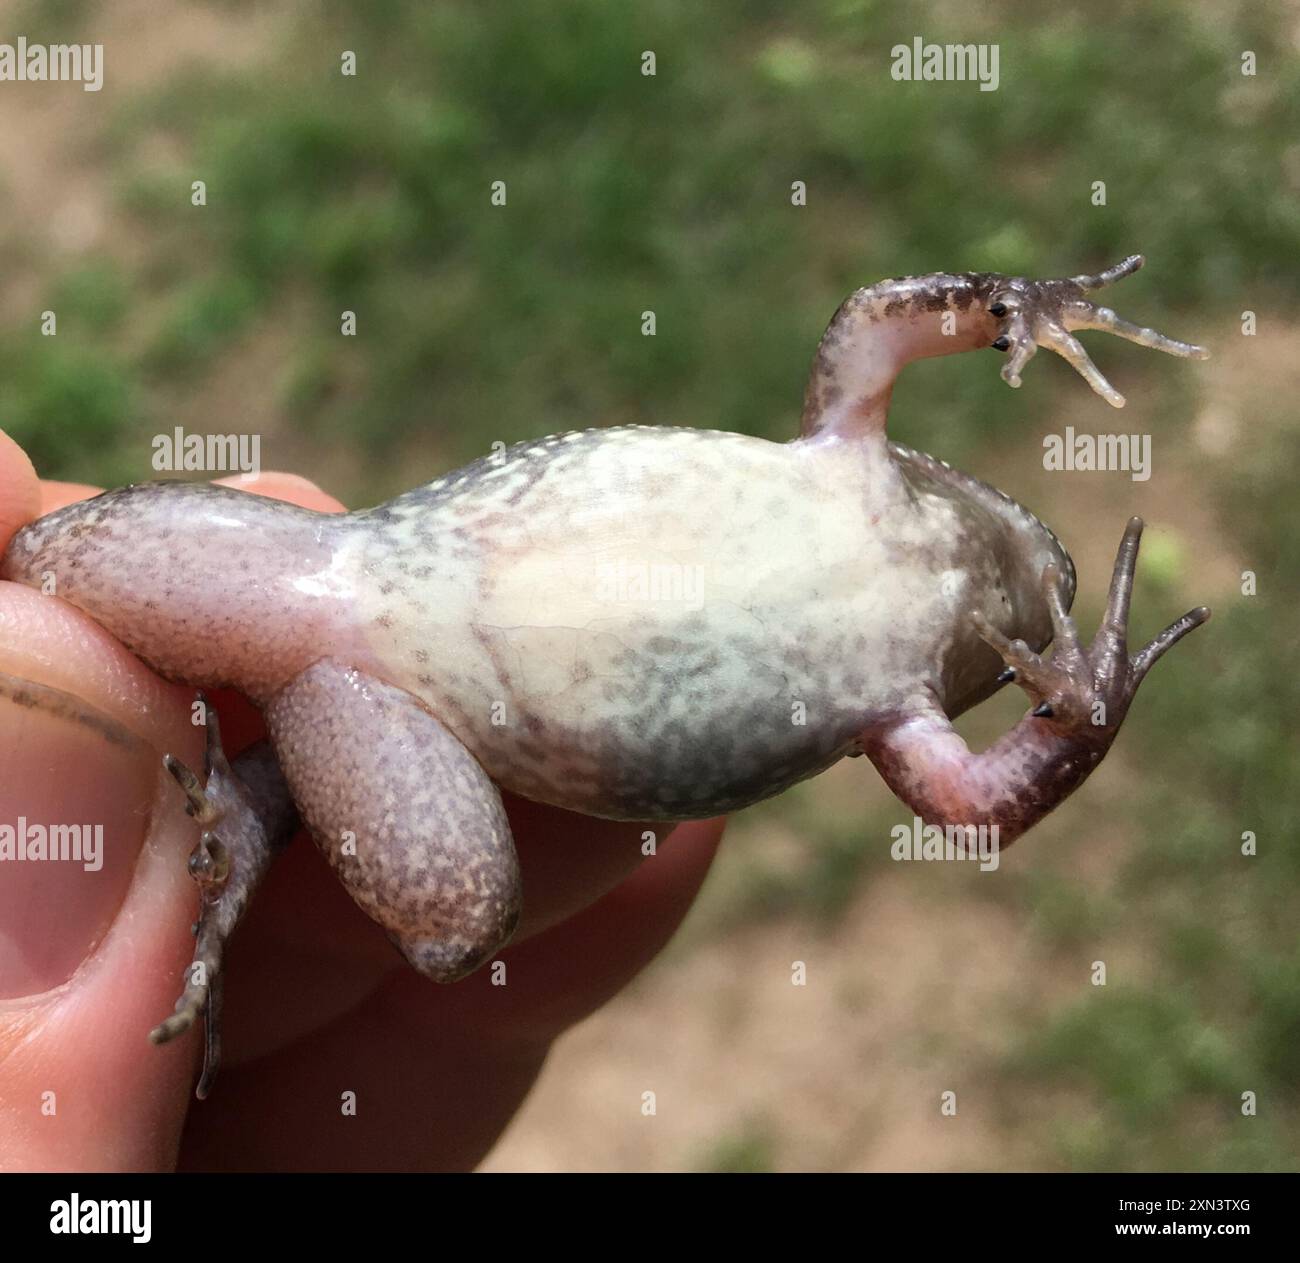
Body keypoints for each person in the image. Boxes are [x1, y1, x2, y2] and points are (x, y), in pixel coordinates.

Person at [0, 428, 724, 1170]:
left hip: (381, 622)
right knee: (49, 565)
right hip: (374, 624)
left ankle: (246, 808)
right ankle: (246, 809)